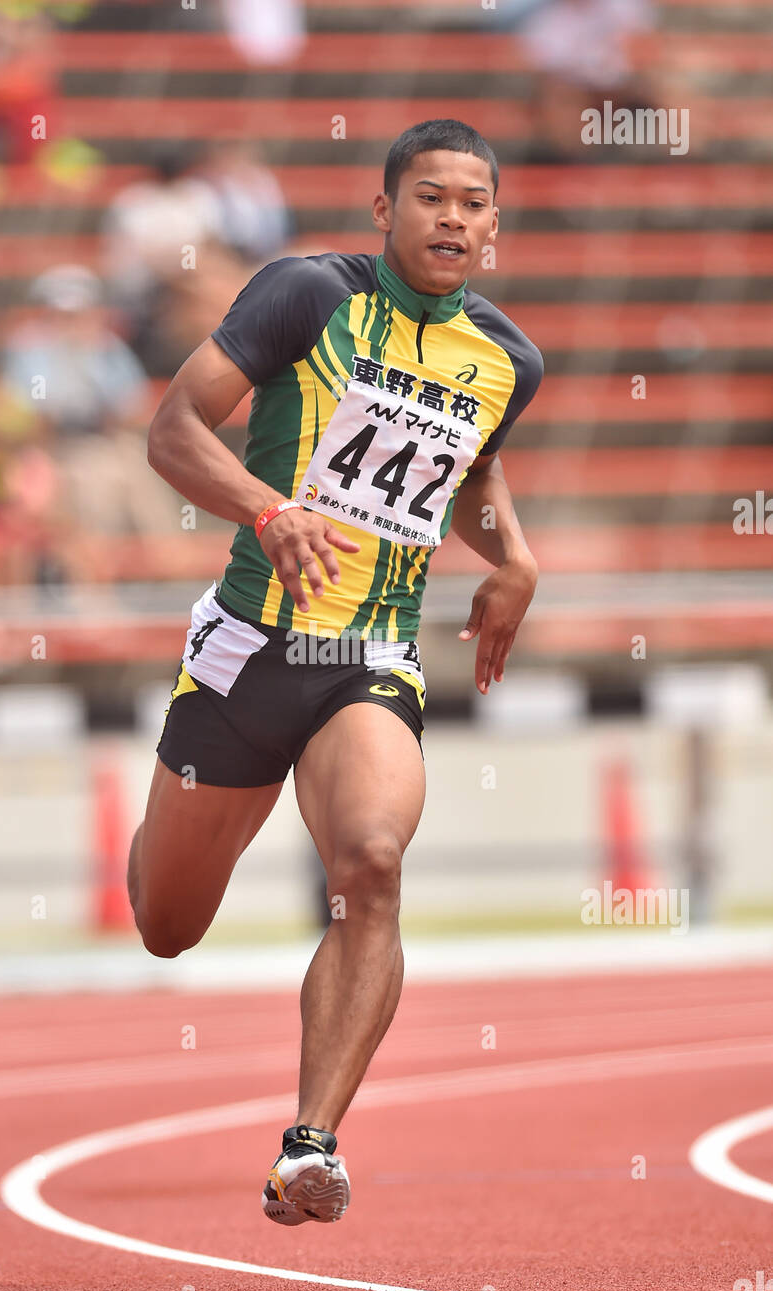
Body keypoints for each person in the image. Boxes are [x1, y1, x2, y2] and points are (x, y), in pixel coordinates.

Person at [127, 119, 544, 1226]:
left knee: (370, 857)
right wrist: (268, 510)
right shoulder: (305, 296)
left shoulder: (507, 360)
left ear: (492, 225)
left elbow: (470, 476)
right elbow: (172, 430)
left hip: (367, 657)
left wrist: (515, 556)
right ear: (384, 211)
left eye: (470, 202)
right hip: (244, 649)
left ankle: (309, 1144)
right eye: (428, 198)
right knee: (164, 925)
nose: (450, 217)